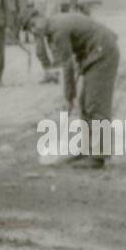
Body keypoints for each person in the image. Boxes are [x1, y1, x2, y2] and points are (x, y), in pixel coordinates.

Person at [30, 12, 120, 170]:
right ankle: (86, 150)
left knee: (96, 104)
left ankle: (98, 156)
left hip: (103, 53)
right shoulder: (52, 28)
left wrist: (67, 97)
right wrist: (71, 95)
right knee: (85, 103)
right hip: (94, 53)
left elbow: (67, 66)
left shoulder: (57, 29)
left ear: (41, 17)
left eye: (33, 23)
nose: (34, 29)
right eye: (29, 29)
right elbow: (69, 58)